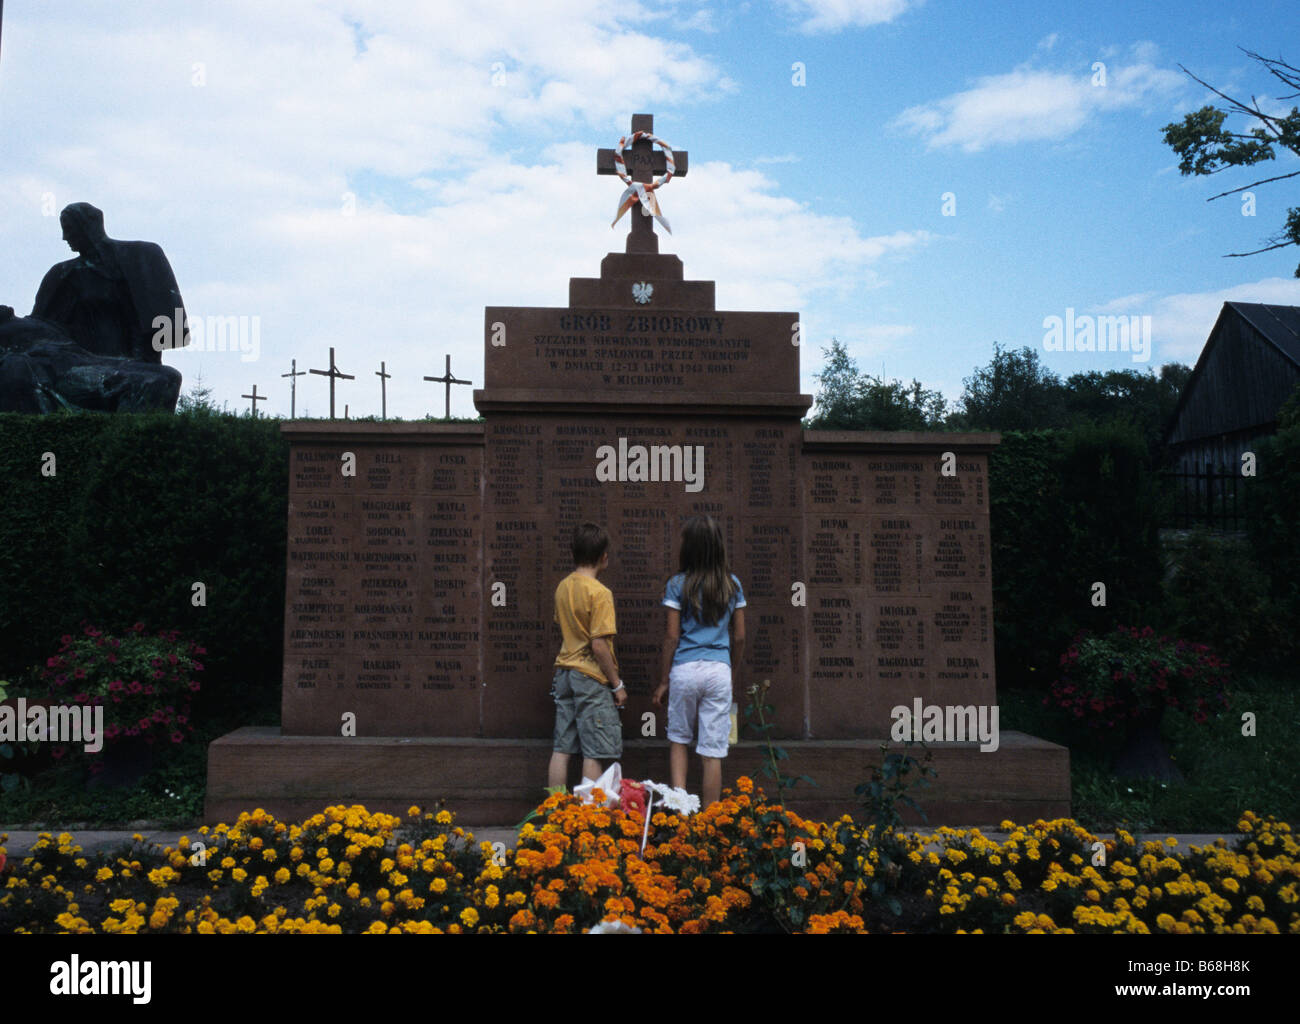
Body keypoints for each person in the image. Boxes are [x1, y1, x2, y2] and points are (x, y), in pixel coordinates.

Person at [652, 515, 746, 808]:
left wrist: (664, 680)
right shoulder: (733, 585)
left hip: (684, 669)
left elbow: (671, 636)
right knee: (712, 750)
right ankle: (711, 820)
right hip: (719, 669)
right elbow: (740, 636)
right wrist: (731, 671)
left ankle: (680, 817)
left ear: (688, 548)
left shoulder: (677, 584)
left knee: (679, 739)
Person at [547, 522, 627, 790]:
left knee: (562, 748)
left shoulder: (562, 587)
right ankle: (588, 817)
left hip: (564, 674)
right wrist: (617, 684)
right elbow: (599, 645)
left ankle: (554, 813)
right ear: (603, 556)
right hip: (590, 677)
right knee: (593, 750)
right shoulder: (600, 593)